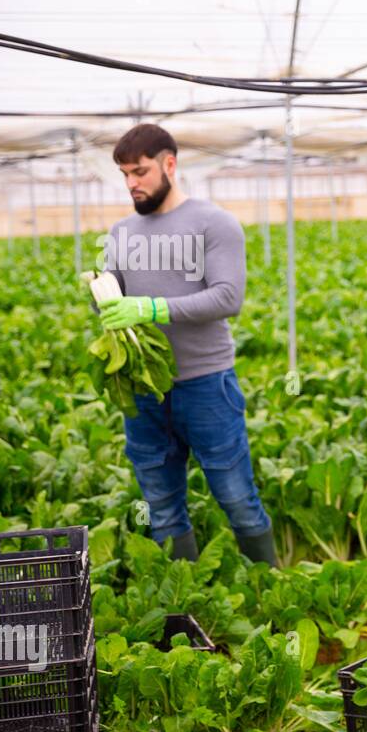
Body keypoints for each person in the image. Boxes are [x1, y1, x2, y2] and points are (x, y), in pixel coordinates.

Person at [92, 123, 276, 566]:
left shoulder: (214, 223)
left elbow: (227, 298)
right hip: (145, 389)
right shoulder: (120, 234)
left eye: (140, 172)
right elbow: (116, 300)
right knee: (162, 506)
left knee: (237, 499)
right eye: (125, 175)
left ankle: (270, 589)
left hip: (206, 384)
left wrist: (152, 309)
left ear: (169, 164)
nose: (132, 183)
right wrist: (104, 298)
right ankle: (185, 603)